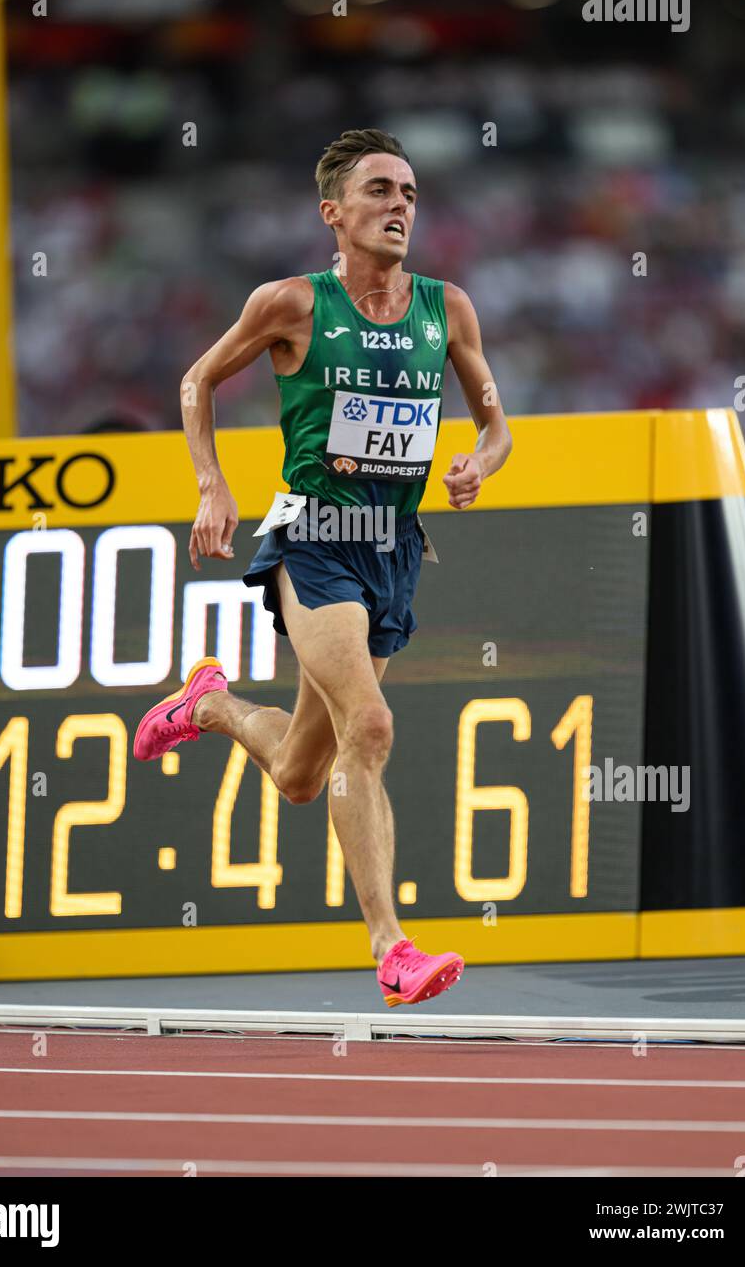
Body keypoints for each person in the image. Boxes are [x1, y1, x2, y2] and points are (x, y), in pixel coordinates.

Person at [134, 128, 512, 1006]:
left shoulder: (446, 308)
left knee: (303, 775)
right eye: (380, 191)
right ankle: (392, 947)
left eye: (411, 193)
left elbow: (495, 424)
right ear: (334, 213)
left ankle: (213, 704)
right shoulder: (291, 303)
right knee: (370, 728)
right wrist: (211, 486)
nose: (400, 207)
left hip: (394, 548)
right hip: (314, 540)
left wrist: (476, 464)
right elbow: (198, 381)